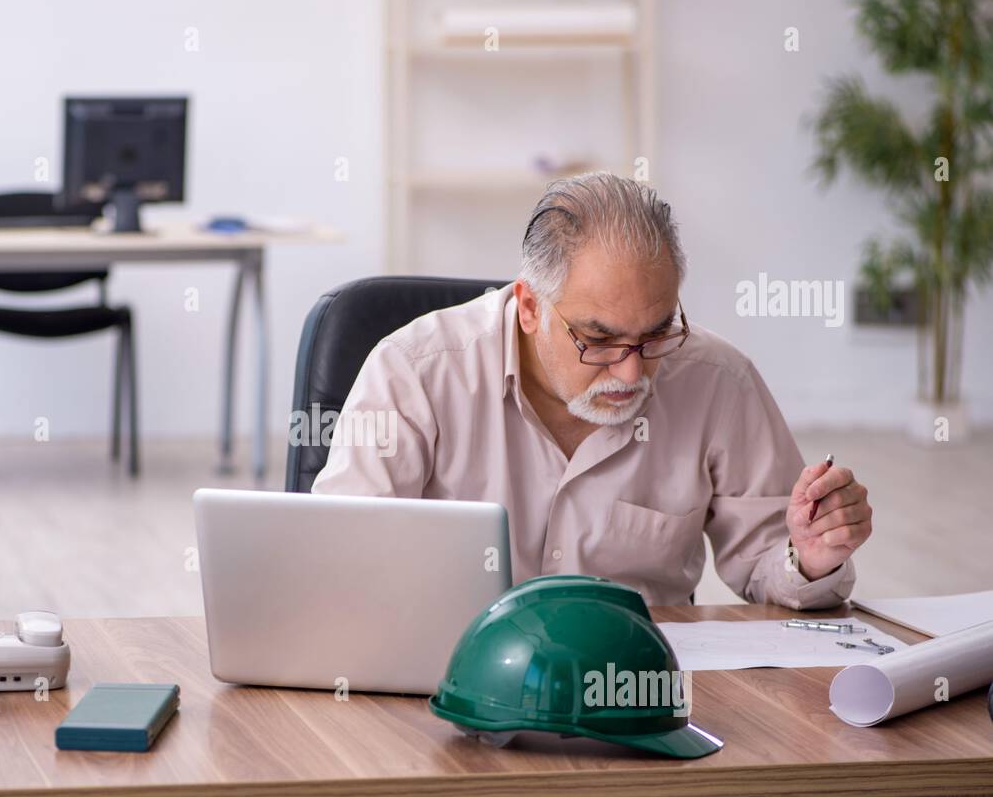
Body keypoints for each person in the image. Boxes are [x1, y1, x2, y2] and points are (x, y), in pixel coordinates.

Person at [312, 172, 871, 607]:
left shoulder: (718, 381)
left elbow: (768, 563)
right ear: (530, 307)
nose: (631, 374)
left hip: (635, 695)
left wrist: (811, 556)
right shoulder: (415, 372)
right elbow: (343, 564)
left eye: (655, 334)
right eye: (598, 340)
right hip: (448, 685)